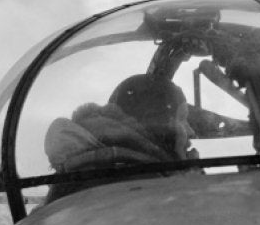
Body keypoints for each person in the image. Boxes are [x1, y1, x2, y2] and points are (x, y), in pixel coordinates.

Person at [43, 74, 197, 203]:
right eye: (182, 118)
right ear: (158, 122)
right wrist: (191, 184)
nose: (192, 132)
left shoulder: (90, 174)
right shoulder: (138, 184)